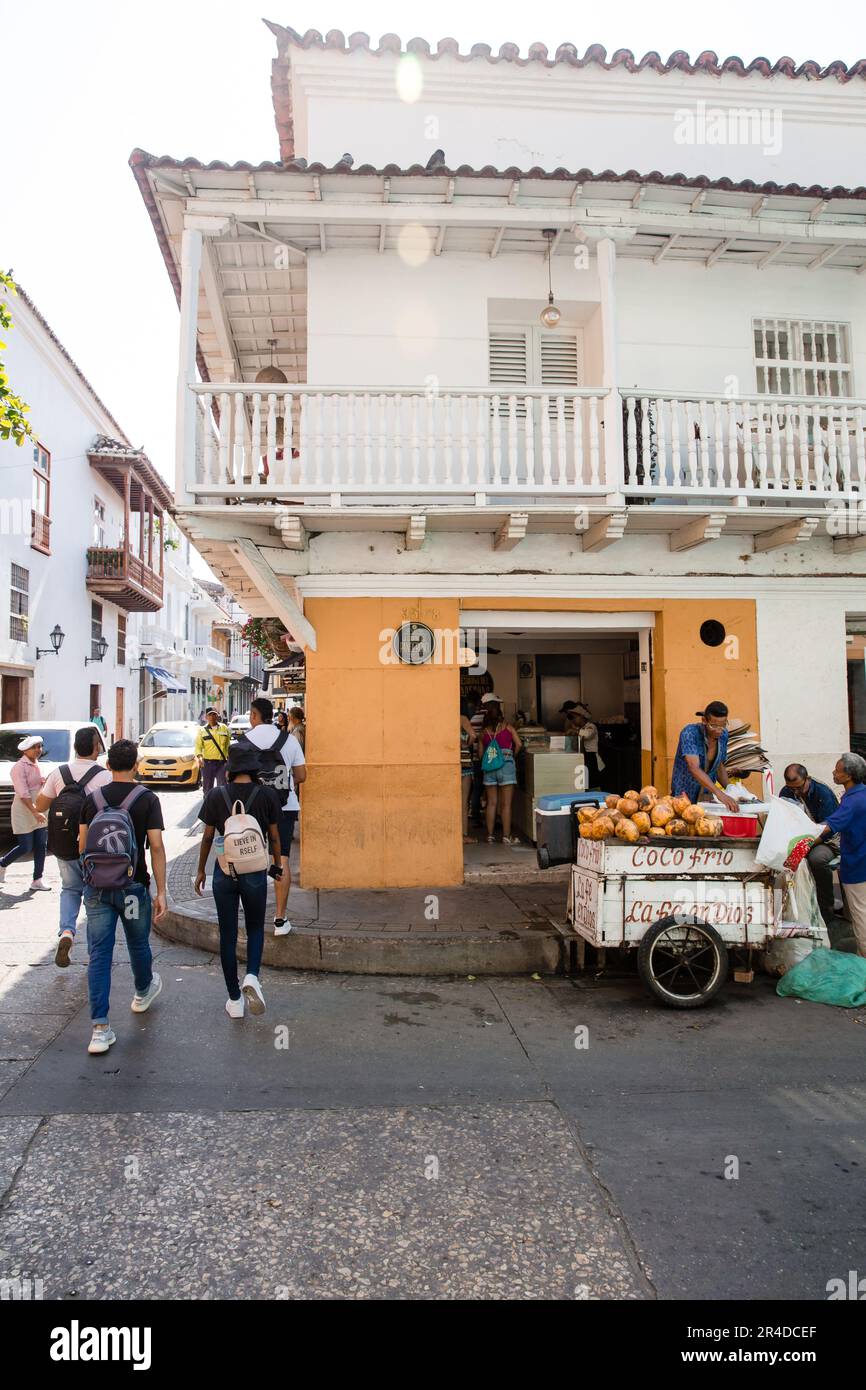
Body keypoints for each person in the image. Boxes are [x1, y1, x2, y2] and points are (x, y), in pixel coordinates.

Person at [78, 740, 167, 1056]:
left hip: (98, 889)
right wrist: (162, 892)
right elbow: (155, 846)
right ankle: (143, 991)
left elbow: (82, 846)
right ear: (136, 765)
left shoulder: (92, 799)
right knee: (137, 944)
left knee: (99, 954)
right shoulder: (147, 799)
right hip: (133, 886)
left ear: (108, 766)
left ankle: (100, 1029)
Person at [195, 740, 283, 1018]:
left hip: (225, 872)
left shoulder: (216, 794)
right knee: (256, 927)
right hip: (254, 872)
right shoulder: (266, 794)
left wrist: (201, 871)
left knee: (228, 934)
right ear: (253, 768)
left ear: (230, 768)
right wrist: (277, 864)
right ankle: (252, 977)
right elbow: (275, 835)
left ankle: (234, 999)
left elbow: (208, 836)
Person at [34, 725, 111, 966]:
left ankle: (67, 931)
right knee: (94, 895)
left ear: (76, 748)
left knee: (70, 889)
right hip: (95, 846)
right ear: (96, 748)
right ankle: (93, 952)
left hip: (64, 844)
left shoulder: (59, 773)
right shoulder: (104, 776)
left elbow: (40, 805)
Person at [243, 696, 306, 934]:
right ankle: (280, 919)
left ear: (254, 716)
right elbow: (301, 776)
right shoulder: (289, 740)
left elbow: (232, 779)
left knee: (249, 860)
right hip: (285, 807)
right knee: (281, 861)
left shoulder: (242, 742)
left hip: (252, 809)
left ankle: (253, 917)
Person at [811, 752, 866, 957]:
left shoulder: (851, 802)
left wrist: (801, 843)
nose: (834, 773)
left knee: (861, 918)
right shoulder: (862, 794)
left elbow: (827, 829)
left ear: (848, 776)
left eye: (837, 769)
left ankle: (863, 965)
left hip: (859, 866)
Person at [780, 763, 841, 926]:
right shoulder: (786, 792)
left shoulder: (822, 793)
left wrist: (806, 845)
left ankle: (826, 909)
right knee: (780, 859)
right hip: (799, 839)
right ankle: (793, 909)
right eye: (792, 789)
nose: (796, 792)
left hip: (826, 840)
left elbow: (828, 829)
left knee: (817, 859)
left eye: (799, 788)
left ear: (807, 779)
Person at [0, 736, 51, 892]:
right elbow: (23, 794)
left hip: (39, 808)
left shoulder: (37, 765)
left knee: (41, 844)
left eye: (40, 746)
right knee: (26, 846)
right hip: (24, 809)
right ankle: (2, 864)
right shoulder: (18, 767)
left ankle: (37, 879)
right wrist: (35, 812)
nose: (38, 750)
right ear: (25, 750)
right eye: (34, 747)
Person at [670, 702, 739, 812]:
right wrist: (720, 793)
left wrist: (731, 790)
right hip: (684, 798)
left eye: (723, 725)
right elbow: (694, 767)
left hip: (706, 800)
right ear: (704, 721)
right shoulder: (690, 733)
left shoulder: (723, 735)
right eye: (714, 726)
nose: (719, 730)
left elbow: (719, 765)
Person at [480, 695, 523, 846]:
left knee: (491, 803)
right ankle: (506, 836)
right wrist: (510, 756)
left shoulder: (484, 733)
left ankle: (490, 835)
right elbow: (519, 744)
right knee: (506, 804)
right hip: (506, 765)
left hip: (490, 767)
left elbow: (480, 754)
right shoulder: (508, 727)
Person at [560, 701, 605, 789]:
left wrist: (575, 731)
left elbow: (587, 735)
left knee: (593, 785)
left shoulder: (591, 726)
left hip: (592, 759)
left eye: (574, 717)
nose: (572, 720)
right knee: (585, 785)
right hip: (584, 759)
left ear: (581, 716)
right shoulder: (579, 728)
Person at [195, 707, 230, 795]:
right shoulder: (201, 730)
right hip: (207, 764)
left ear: (218, 715)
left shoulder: (224, 728)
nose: (212, 716)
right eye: (210, 714)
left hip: (221, 764)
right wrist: (200, 757)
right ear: (206, 717)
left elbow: (228, 746)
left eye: (214, 714)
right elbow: (198, 746)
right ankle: (208, 806)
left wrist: (230, 761)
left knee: (222, 788)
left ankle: (221, 807)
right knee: (207, 789)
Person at [460, 698, 480, 843]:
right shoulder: (462, 718)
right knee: (463, 800)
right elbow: (473, 735)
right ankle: (463, 835)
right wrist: (466, 744)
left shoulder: (445, 716)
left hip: (449, 760)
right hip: (464, 762)